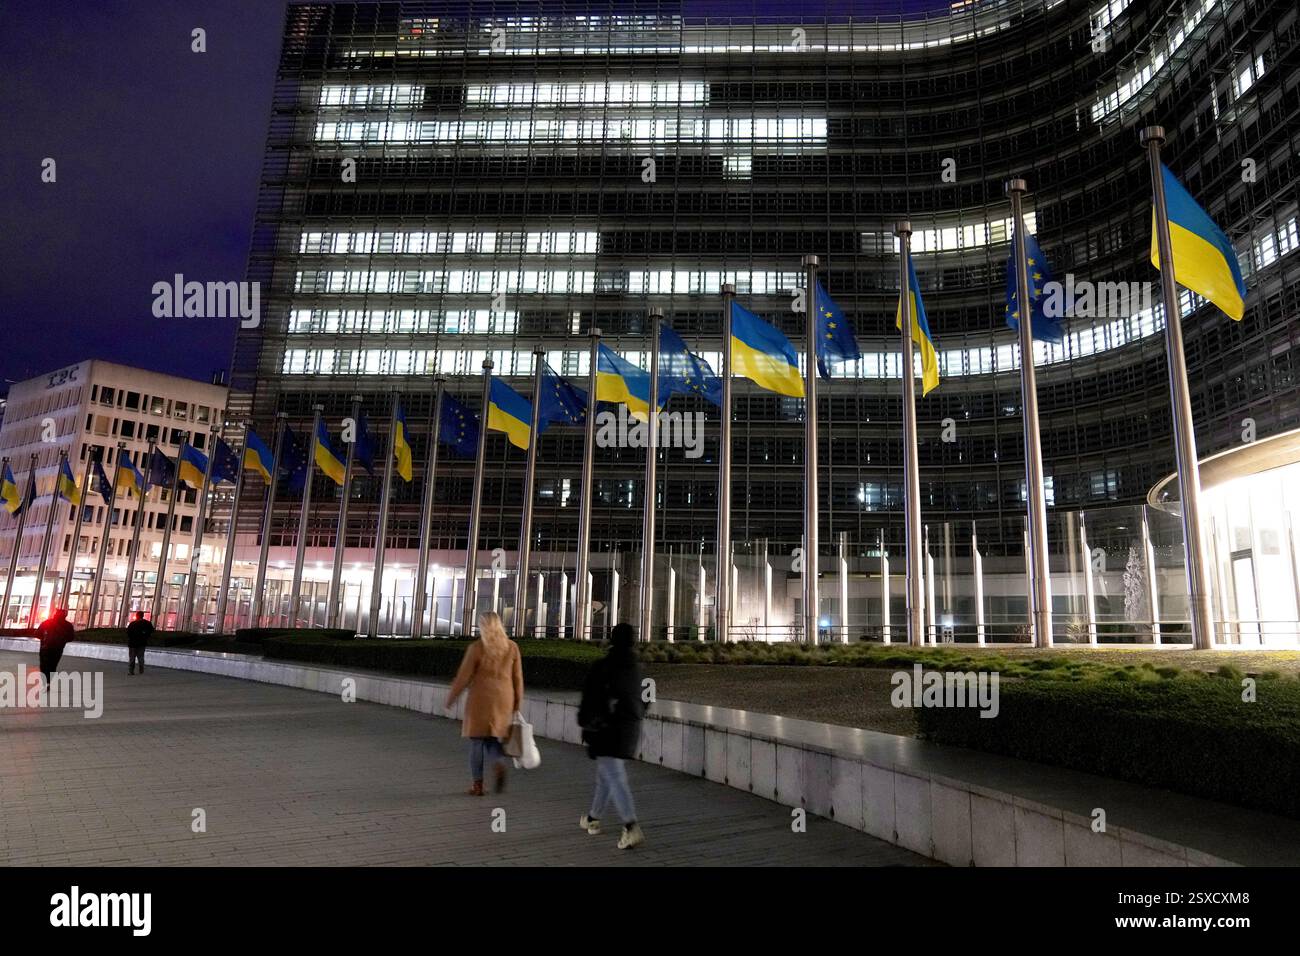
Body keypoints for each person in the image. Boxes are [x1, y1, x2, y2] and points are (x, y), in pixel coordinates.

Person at [578, 622, 647, 850]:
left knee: (614, 776)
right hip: (629, 729)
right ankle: (592, 818)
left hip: (606, 729)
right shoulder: (637, 668)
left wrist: (585, 722)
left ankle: (630, 826)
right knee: (607, 775)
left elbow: (590, 697)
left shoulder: (603, 666)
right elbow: (645, 699)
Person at [445, 611, 524, 796]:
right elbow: (518, 678)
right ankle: (498, 763)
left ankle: (478, 785)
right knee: (492, 738)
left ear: (482, 627)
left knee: (477, 741)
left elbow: (463, 677)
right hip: (504, 699)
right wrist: (517, 702)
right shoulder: (512, 647)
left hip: (480, 698)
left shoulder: (477, 648)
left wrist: (451, 698)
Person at [36, 608, 76, 687]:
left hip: (45, 647)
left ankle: (45, 681)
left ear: (55, 614)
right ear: (65, 615)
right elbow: (71, 638)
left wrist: (44, 639)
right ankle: (48, 681)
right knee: (53, 665)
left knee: (44, 665)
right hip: (58, 648)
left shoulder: (46, 622)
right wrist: (62, 641)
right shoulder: (68, 625)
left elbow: (37, 634)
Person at [126, 611, 153, 675]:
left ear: (137, 615)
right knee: (141, 657)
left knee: (132, 658)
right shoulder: (147, 623)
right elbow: (151, 631)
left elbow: (128, 633)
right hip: (142, 643)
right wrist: (145, 635)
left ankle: (131, 671)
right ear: (143, 615)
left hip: (132, 643)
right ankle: (141, 670)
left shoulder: (132, 624)